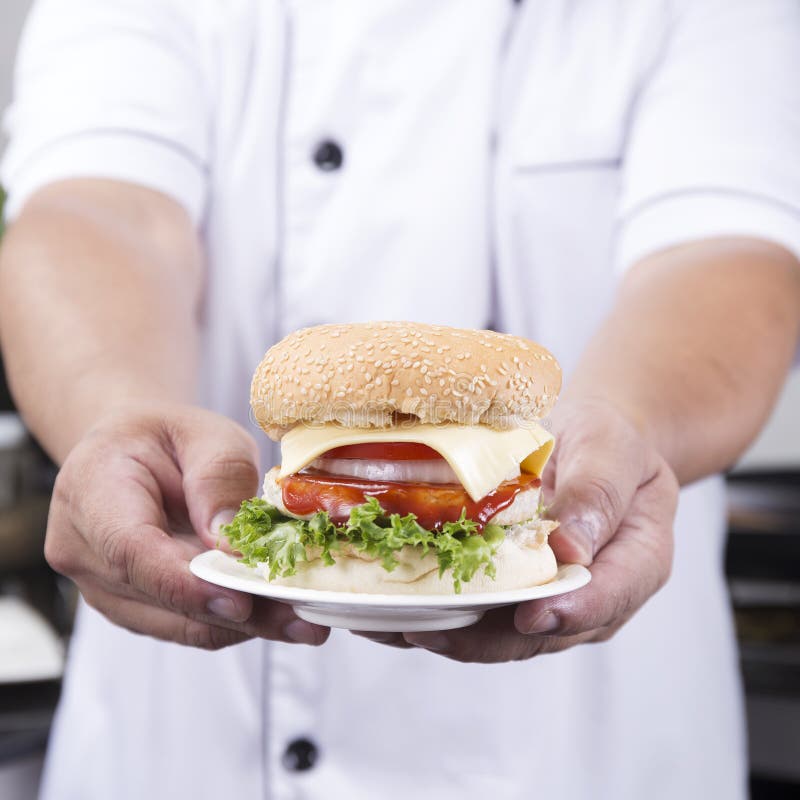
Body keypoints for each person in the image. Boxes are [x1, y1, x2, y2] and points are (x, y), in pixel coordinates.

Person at [1, 1, 799, 798]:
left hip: (578, 749)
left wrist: (628, 428)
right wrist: (116, 414)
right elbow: (97, 210)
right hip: (185, 745)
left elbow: (730, 252)